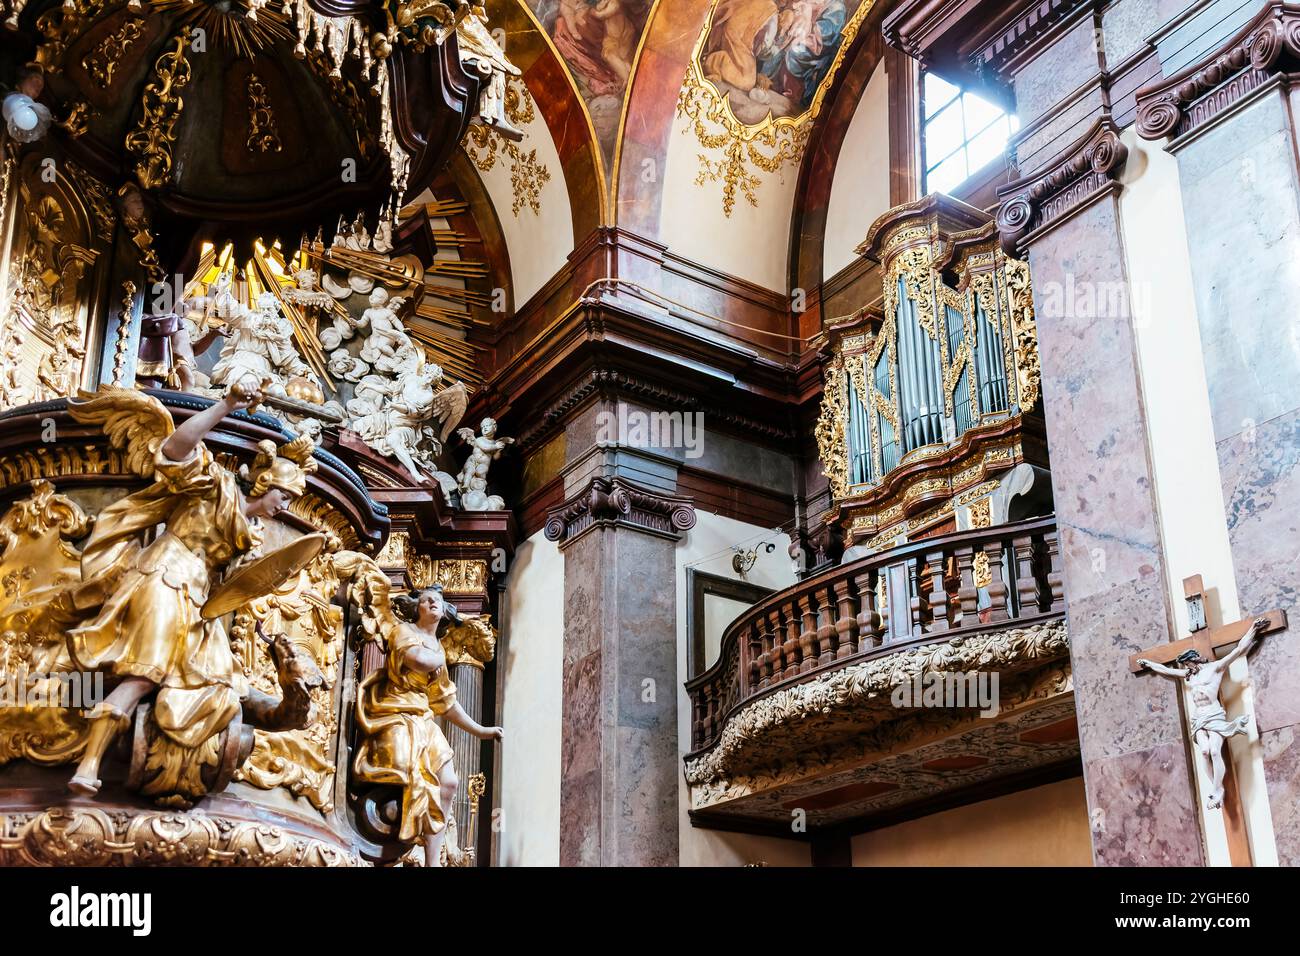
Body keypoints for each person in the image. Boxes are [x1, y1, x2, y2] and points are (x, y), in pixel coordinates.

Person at [63, 380, 317, 795]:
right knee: (146, 671)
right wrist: (228, 404)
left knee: (222, 682)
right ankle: (88, 765)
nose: (284, 507)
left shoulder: (248, 533)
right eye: (283, 496)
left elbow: (237, 584)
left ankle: (174, 748)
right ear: (263, 484)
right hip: (166, 575)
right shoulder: (215, 486)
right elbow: (176, 448)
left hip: (198, 600)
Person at [353, 586, 503, 866]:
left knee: (449, 783)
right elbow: (417, 659)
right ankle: (390, 843)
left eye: (438, 600)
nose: (433, 602)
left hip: (423, 719)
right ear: (417, 608)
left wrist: (481, 731)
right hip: (394, 712)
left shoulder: (439, 650)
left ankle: (433, 861)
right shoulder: (403, 631)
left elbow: (445, 703)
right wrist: (439, 658)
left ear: (445, 610)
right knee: (404, 774)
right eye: (426, 600)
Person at [1138, 617, 1269, 809]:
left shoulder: (1215, 668)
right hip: (1198, 718)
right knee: (1205, 751)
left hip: (1214, 714)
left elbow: (1239, 649)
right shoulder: (1188, 675)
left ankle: (1218, 789)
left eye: (1188, 663)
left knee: (1215, 751)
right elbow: (1166, 670)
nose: (1186, 668)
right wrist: (1149, 664)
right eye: (1185, 665)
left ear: (1194, 659)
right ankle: (1215, 789)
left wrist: (1253, 629)